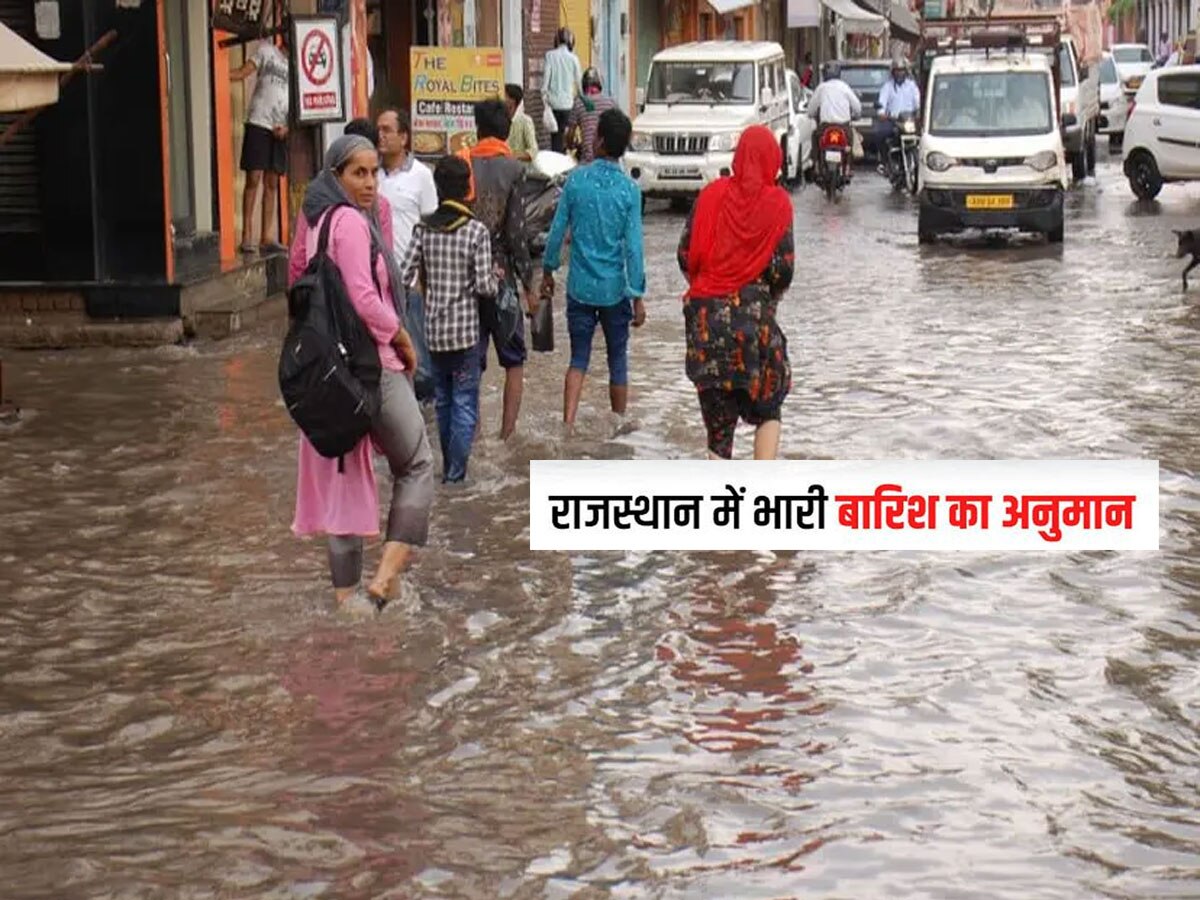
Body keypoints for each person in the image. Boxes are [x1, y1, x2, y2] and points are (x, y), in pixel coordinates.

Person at [288, 135, 434, 613]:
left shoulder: (313, 223)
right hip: (372, 366)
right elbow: (364, 297)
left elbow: (296, 285)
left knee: (345, 492)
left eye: (374, 172)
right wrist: (403, 338)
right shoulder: (351, 222)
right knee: (416, 464)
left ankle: (346, 605)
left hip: (330, 375)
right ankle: (383, 581)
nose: (370, 183)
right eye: (359, 173)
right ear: (336, 176)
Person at [676, 126, 794, 461]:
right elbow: (783, 271)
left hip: (704, 326)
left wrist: (713, 283)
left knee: (718, 434)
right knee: (770, 403)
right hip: (754, 328)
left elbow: (684, 255)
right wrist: (764, 294)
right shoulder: (777, 204)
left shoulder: (710, 196)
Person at [542, 108, 646, 431]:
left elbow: (557, 233)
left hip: (581, 289)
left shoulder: (576, 181)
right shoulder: (630, 191)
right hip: (615, 291)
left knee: (578, 358)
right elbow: (634, 248)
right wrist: (638, 294)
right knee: (618, 359)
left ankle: (568, 426)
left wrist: (548, 271)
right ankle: (618, 427)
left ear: (599, 140)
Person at [402, 157, 498, 483]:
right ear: (468, 188)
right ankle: (456, 476)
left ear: (438, 189)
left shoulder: (423, 229)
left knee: (443, 401)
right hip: (466, 334)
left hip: (433, 332)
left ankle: (448, 470)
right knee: (464, 401)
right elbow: (485, 287)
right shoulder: (476, 232)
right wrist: (495, 278)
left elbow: (403, 275)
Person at [456, 98, 535, 440]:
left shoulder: (460, 164)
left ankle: (469, 435)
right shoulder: (516, 170)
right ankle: (506, 437)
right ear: (507, 131)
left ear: (478, 128)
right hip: (501, 276)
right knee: (514, 359)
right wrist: (530, 285)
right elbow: (518, 235)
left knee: (470, 359)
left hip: (463, 276)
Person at [376, 107, 438, 402]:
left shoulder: (421, 176)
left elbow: (431, 230)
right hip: (376, 287)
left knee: (420, 365)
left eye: (388, 130)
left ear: (404, 137)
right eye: (379, 130)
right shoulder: (370, 175)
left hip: (410, 284)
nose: (381, 136)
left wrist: (425, 282)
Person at [231, 32, 290, 255]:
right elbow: (245, 71)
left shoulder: (300, 65)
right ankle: (247, 234)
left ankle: (266, 236)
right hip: (258, 121)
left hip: (281, 127)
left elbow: (302, 104)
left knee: (272, 182)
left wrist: (288, 128)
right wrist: (224, 74)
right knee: (253, 177)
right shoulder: (266, 50)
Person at [807, 61, 862, 176]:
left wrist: (811, 114)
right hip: (843, 126)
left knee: (815, 137)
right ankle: (848, 168)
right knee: (849, 143)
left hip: (825, 126)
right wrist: (857, 115)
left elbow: (811, 108)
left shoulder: (821, 88)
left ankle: (816, 165)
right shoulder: (845, 87)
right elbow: (857, 107)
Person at [874, 59, 920, 174]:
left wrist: (919, 112)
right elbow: (881, 104)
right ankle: (885, 163)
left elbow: (918, 102)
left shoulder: (912, 86)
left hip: (909, 121)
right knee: (880, 134)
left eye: (902, 71)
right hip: (894, 121)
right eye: (897, 71)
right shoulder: (887, 87)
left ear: (906, 72)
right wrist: (882, 113)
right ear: (893, 72)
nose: (900, 73)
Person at [567, 68, 617, 164]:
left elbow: (570, 135)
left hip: (587, 160)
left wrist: (571, 145)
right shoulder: (611, 103)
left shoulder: (579, 102)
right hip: (609, 159)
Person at [544, 28, 583, 153]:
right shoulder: (574, 59)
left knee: (555, 138)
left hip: (553, 104)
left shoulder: (549, 56)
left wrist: (545, 102)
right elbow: (579, 83)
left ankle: (557, 167)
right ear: (571, 42)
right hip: (568, 105)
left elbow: (545, 83)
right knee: (567, 137)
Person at [504, 84, 539, 164]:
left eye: (505, 96)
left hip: (520, 170)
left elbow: (533, 151)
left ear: (512, 101)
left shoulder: (525, 121)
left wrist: (513, 156)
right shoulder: (499, 119)